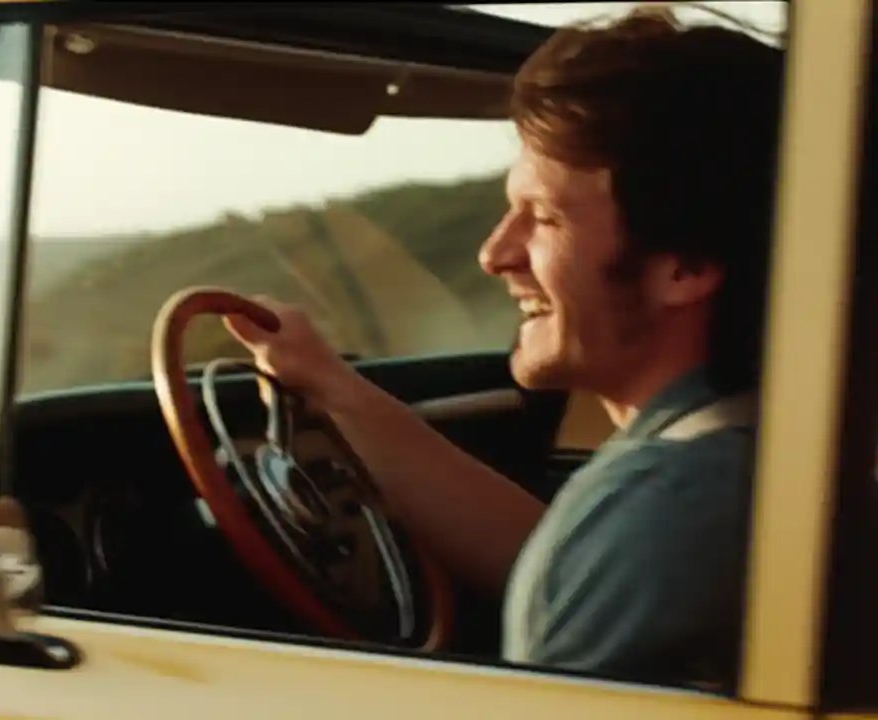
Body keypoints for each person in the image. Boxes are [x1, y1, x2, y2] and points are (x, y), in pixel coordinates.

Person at [223, 8, 783, 687]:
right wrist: (332, 389)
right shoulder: (747, 447)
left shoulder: (664, 504)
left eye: (544, 217)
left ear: (686, 266)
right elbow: (552, 560)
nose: (494, 254)